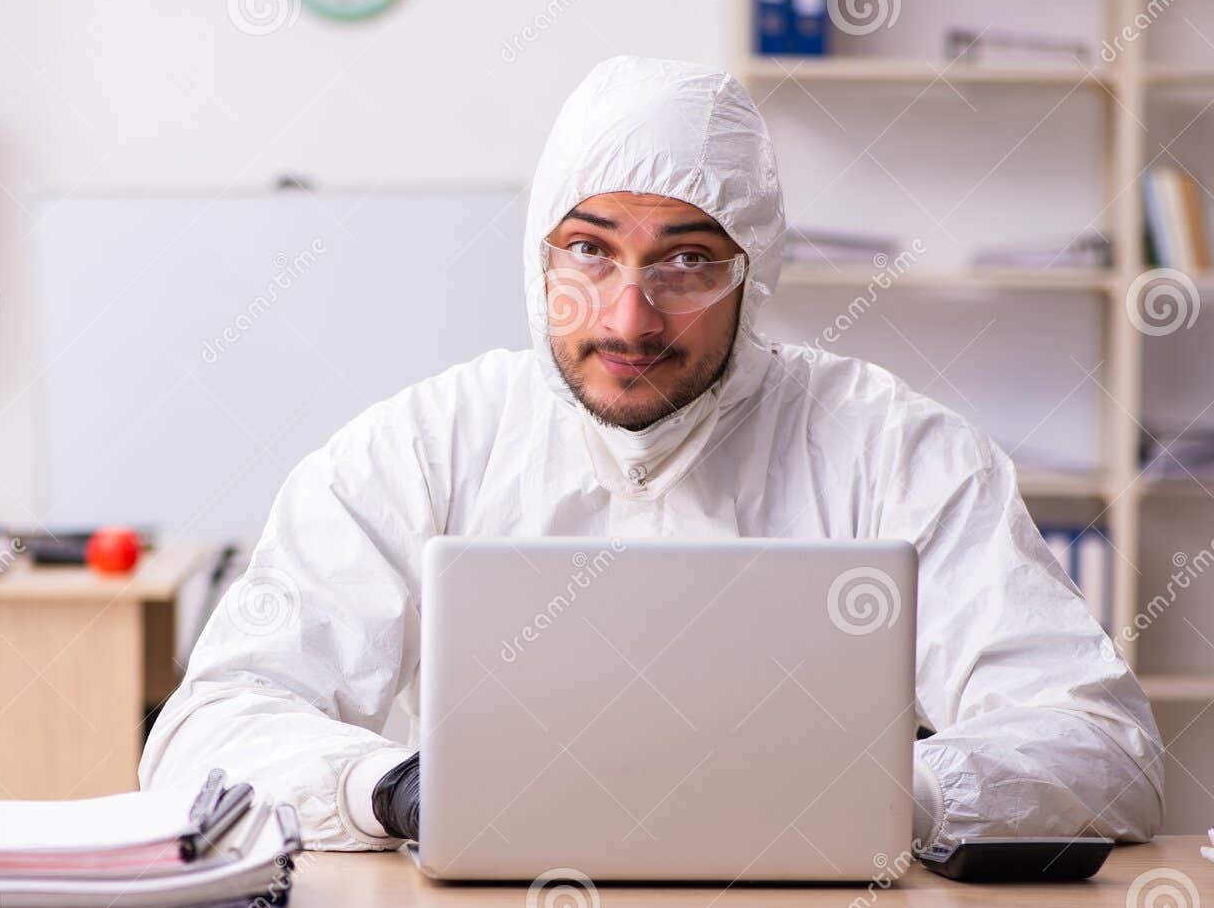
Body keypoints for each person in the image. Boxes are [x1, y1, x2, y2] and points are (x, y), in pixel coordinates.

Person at [139, 55, 1164, 852]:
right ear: (538, 257)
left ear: (752, 275)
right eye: (590, 250)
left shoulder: (896, 451)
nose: (629, 316)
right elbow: (210, 731)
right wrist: (405, 791)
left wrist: (875, 797)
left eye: (686, 260)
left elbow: (1100, 745)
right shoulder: (415, 448)